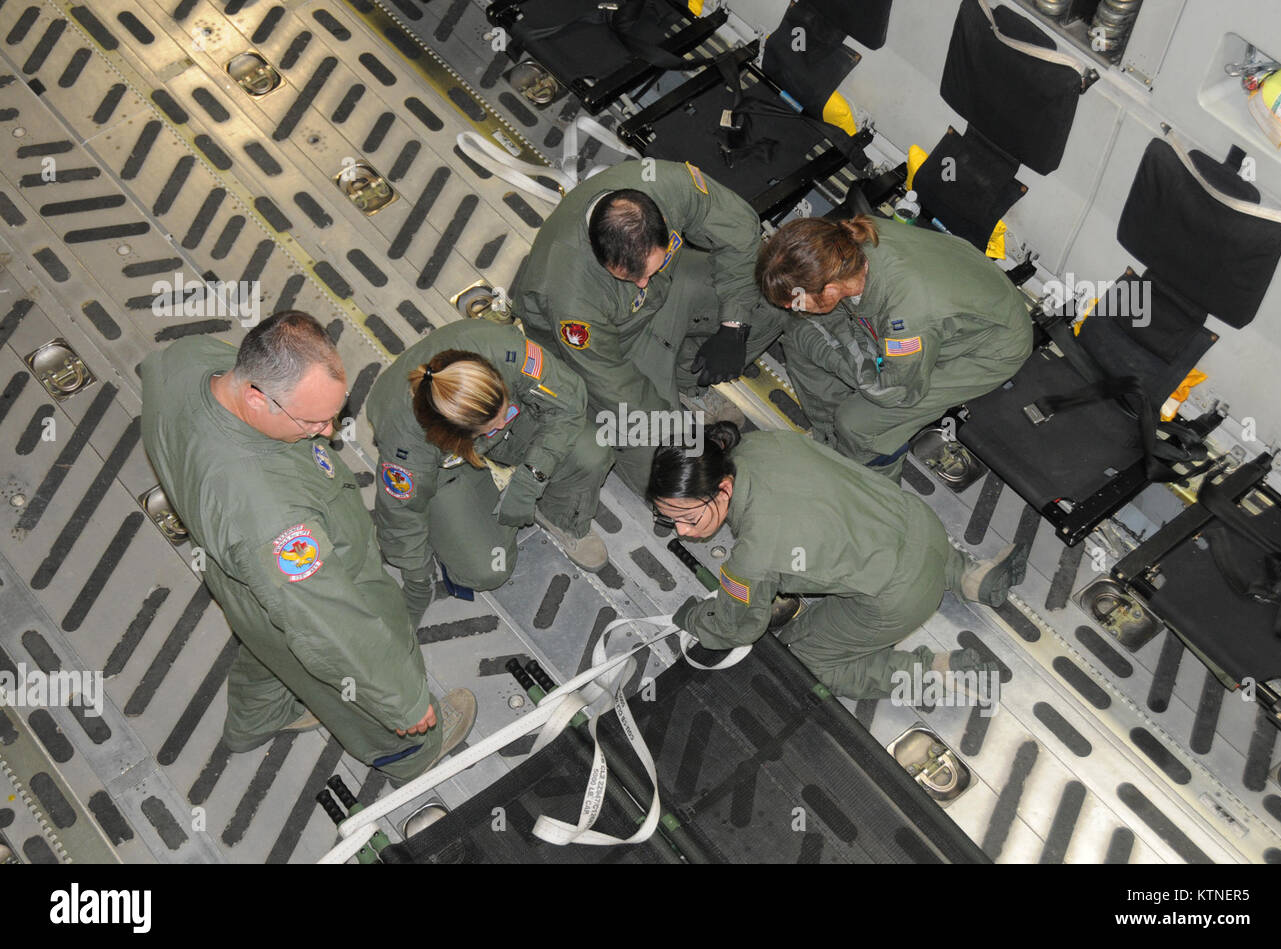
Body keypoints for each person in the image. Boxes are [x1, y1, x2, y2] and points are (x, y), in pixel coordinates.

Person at [140, 312, 475, 782]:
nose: (329, 432)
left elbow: (155, 375)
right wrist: (403, 699)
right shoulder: (267, 514)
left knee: (266, 646)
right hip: (301, 581)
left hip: (237, 578)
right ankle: (410, 755)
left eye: (335, 415)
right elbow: (331, 623)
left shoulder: (186, 358)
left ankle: (256, 720)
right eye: (315, 420)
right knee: (336, 657)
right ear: (256, 397)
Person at [650, 423, 1027, 700]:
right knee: (870, 528)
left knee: (803, 660)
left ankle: (933, 673)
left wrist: (693, 618)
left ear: (724, 489)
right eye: (671, 520)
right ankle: (973, 577)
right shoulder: (765, 443)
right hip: (920, 525)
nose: (682, 532)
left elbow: (739, 629)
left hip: (902, 595)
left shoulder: (750, 562)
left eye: (689, 518)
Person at [511, 159, 788, 493]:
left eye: (650, 267)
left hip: (667, 293)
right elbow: (611, 381)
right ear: (603, 258)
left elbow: (742, 234)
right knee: (670, 473)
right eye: (630, 276)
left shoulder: (672, 187)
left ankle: (684, 384)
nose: (643, 282)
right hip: (608, 351)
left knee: (772, 299)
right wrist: (676, 428)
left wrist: (734, 324)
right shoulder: (570, 293)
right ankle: (670, 407)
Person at [366, 318, 614, 622]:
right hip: (447, 466)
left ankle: (557, 514)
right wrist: (417, 576)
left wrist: (531, 477)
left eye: (501, 410)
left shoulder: (506, 352)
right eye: (491, 424)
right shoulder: (406, 443)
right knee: (487, 570)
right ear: (451, 434)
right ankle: (467, 516)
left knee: (592, 452)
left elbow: (569, 401)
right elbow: (400, 514)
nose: (501, 423)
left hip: (510, 418)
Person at [756, 214, 1033, 483]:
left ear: (829, 290)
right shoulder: (848, 242)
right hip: (956, 304)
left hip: (989, 348)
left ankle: (872, 491)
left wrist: (848, 362)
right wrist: (849, 352)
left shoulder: (908, 318)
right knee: (799, 332)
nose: (793, 307)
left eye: (797, 301)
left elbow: (896, 391)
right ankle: (831, 440)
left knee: (857, 423)